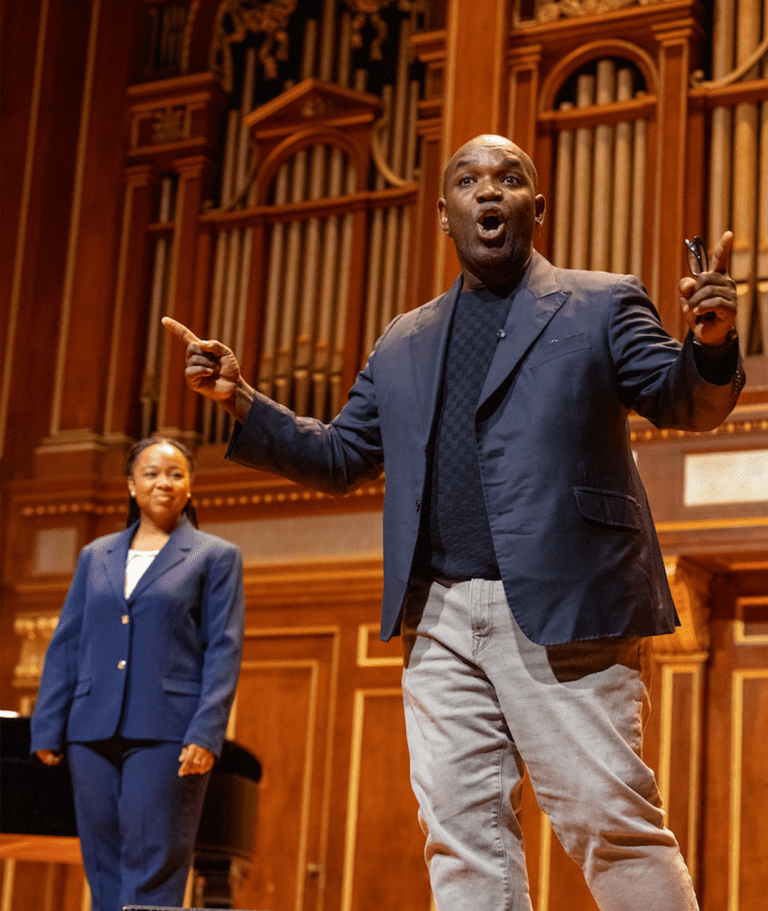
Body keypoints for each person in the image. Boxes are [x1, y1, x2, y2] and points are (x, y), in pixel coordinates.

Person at [162, 134, 743, 911]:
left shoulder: (602, 301)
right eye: (469, 180)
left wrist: (707, 344)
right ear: (445, 214)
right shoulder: (403, 339)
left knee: (612, 826)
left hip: (566, 607)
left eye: (509, 178)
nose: (489, 191)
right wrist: (241, 400)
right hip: (436, 617)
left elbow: (682, 400)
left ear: (540, 205)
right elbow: (341, 455)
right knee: (462, 844)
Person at [31, 437, 245, 911]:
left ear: (190, 486)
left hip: (168, 731)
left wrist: (207, 732)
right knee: (102, 864)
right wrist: (48, 725)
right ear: (131, 485)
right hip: (90, 730)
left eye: (175, 473)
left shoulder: (215, 555)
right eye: (150, 473)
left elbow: (224, 648)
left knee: (153, 864)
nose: (162, 483)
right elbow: (68, 641)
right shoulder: (96, 555)